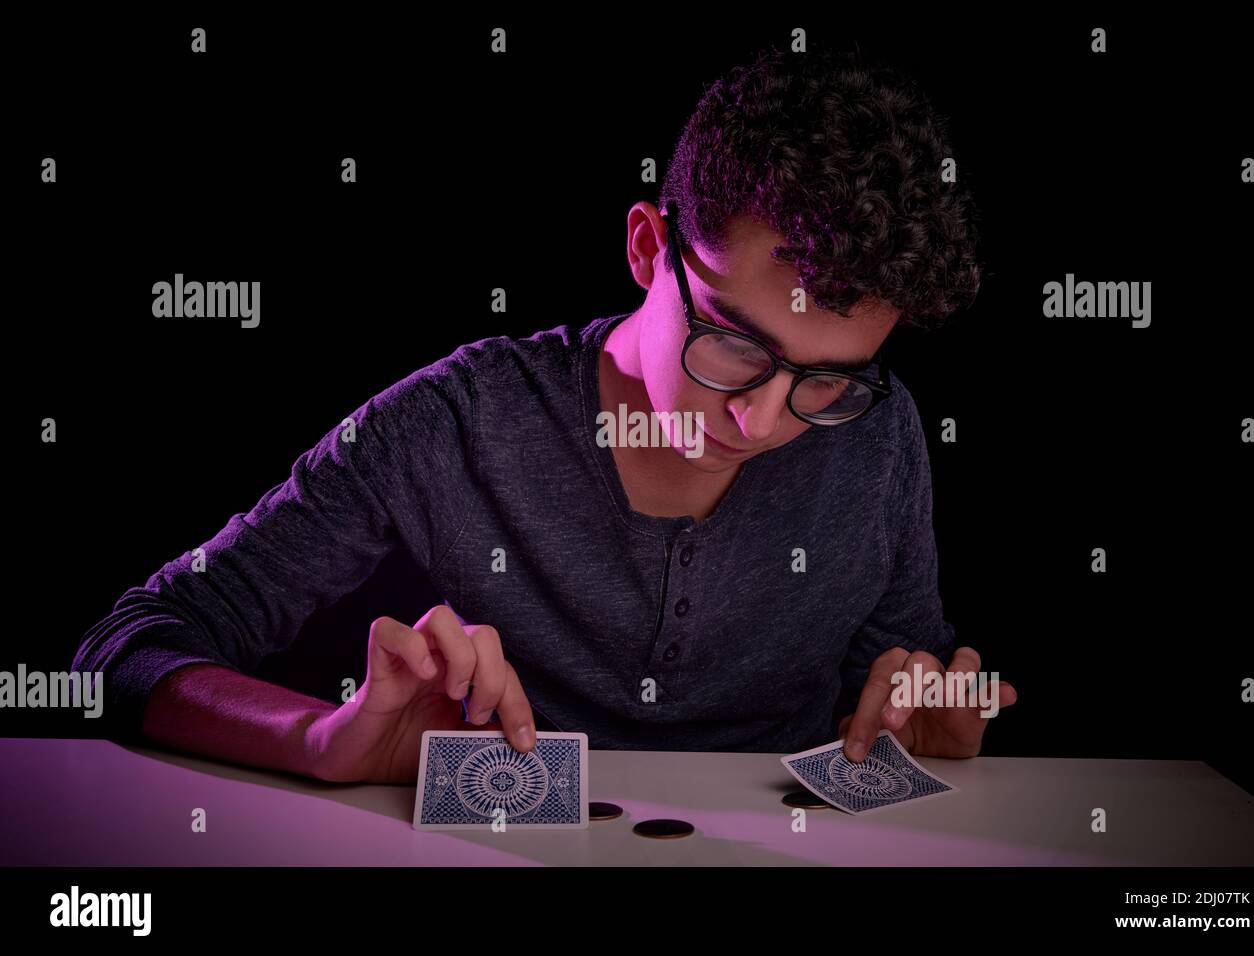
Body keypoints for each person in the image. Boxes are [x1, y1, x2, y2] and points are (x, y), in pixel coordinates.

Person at [73, 46, 1015, 784]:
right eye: (735, 343)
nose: (763, 419)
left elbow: (892, 678)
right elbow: (125, 650)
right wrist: (323, 738)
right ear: (650, 250)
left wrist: (919, 722)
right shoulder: (454, 422)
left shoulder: (879, 435)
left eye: (826, 380)